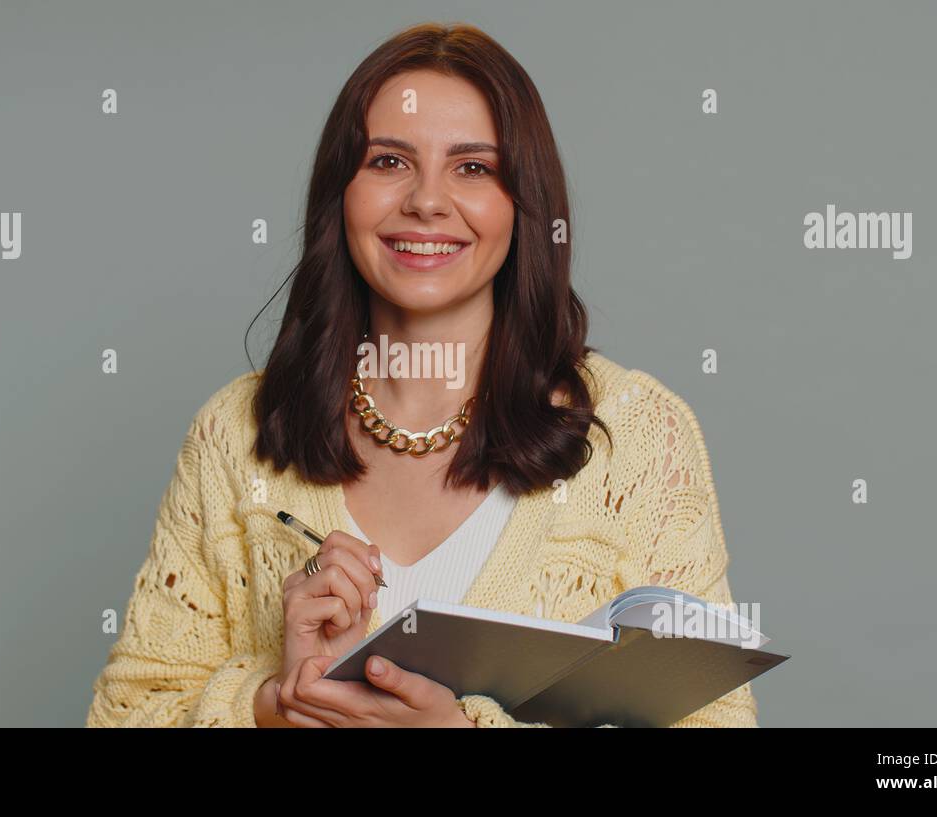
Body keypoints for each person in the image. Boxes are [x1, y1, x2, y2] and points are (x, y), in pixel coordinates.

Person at [86, 22, 758, 728]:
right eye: (388, 162)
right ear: (339, 193)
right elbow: (125, 713)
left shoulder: (637, 435)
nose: (426, 201)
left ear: (524, 203)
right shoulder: (235, 433)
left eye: (473, 168)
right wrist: (277, 705)